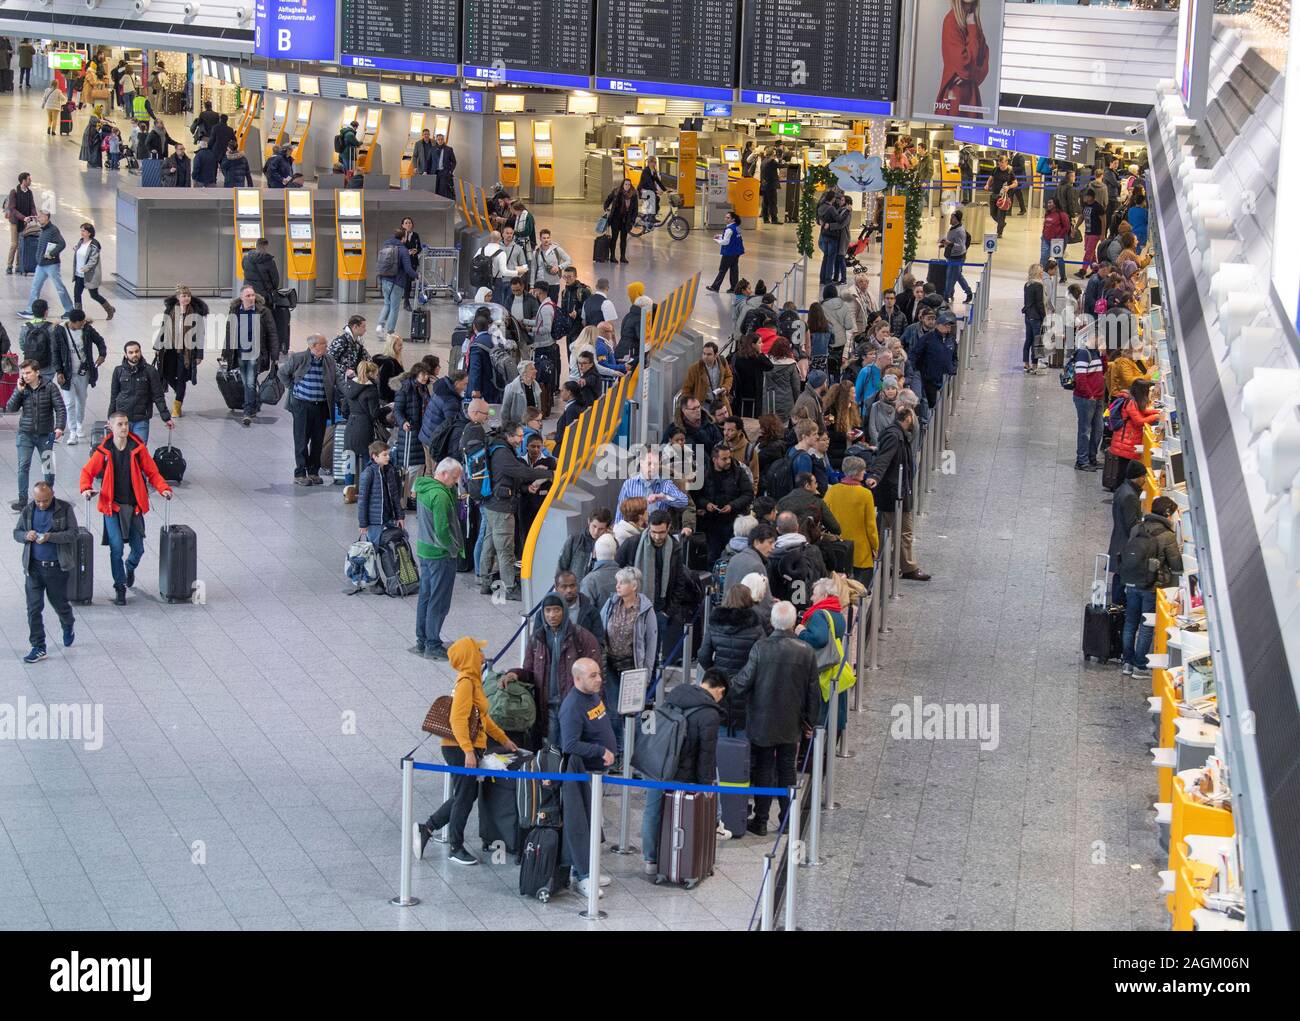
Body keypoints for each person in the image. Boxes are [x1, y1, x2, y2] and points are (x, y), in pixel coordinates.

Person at [413, 637, 517, 866]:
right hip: (459, 749)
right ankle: (455, 846)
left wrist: (504, 739)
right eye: (478, 651)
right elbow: (457, 719)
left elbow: (483, 718)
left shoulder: (474, 681)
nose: (482, 654)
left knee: (467, 794)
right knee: (465, 795)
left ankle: (428, 828)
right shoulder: (466, 683)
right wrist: (468, 751)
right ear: (470, 656)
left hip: (466, 748)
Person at [728, 601, 820, 836]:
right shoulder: (806, 651)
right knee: (787, 769)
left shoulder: (761, 648)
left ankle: (760, 820)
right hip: (791, 722)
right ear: (793, 622)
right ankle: (788, 820)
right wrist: (810, 721)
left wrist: (721, 687)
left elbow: (743, 682)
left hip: (761, 720)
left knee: (764, 770)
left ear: (772, 622)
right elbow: (813, 691)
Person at [78, 411, 173, 606]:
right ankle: (119, 587)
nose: (124, 427)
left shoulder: (137, 449)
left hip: (134, 508)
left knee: (138, 549)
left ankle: (129, 567)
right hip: (112, 508)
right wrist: (86, 489)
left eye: (126, 424)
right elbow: (87, 471)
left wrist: (164, 489)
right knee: (116, 548)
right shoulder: (104, 451)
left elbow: (152, 472)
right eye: (120, 424)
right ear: (110, 426)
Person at [640, 669, 726, 877]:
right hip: (680, 769)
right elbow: (706, 754)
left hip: (657, 759)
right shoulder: (710, 713)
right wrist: (706, 787)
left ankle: (650, 859)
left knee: (652, 810)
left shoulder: (679, 692)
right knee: (685, 814)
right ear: (720, 691)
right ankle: (685, 858)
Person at [558, 657, 617, 897]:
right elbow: (570, 744)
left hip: (597, 773)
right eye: (593, 676)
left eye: (599, 674)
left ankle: (587, 869)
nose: (599, 679)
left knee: (596, 823)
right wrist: (600, 751)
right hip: (583, 776)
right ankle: (582, 875)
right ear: (577, 679)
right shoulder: (572, 707)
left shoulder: (592, 695)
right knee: (581, 825)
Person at [515, 591, 603, 749]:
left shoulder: (582, 638)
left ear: (565, 610)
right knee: (552, 753)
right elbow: (528, 672)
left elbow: (595, 678)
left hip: (573, 709)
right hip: (547, 708)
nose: (552, 615)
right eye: (547, 611)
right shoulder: (537, 639)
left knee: (572, 751)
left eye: (556, 610)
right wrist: (514, 674)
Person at [480, 421, 553, 600]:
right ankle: (510, 588)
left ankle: (485, 581)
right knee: (505, 548)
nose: (522, 439)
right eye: (520, 436)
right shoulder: (503, 452)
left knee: (489, 543)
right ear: (510, 435)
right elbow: (522, 472)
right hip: (502, 507)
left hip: (493, 503)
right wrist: (549, 474)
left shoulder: (499, 447)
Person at [14, 481, 78, 664]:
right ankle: (38, 646)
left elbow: (73, 533)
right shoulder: (29, 509)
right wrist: (26, 535)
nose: (41, 504)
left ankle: (67, 623)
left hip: (56, 568)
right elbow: (17, 532)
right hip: (33, 568)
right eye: (38, 501)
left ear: (52, 495)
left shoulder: (64, 509)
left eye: (45, 500)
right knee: (33, 608)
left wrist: (51, 537)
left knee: (59, 603)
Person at [1120, 496, 1183, 680]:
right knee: (1146, 625)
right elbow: (1176, 565)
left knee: (1130, 622)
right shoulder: (1167, 536)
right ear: (1167, 514)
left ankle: (1127, 662)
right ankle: (1140, 665)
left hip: (1132, 581)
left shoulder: (1137, 528)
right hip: (1151, 585)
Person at [866, 404, 928, 581]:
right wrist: (876, 475)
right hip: (896, 492)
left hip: (892, 490)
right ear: (908, 417)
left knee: (888, 530)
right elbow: (884, 458)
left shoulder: (894, 433)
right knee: (904, 531)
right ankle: (908, 567)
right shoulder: (895, 436)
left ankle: (889, 565)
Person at [599, 566, 659, 731]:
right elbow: (600, 627)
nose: (617, 586)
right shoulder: (611, 604)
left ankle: (638, 748)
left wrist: (646, 673)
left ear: (634, 586)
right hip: (611, 665)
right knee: (612, 711)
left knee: (633, 713)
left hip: (633, 668)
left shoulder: (646, 610)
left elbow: (651, 644)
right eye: (617, 582)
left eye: (622, 583)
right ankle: (618, 750)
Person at [698, 584, 766, 729]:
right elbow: (762, 657)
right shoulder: (755, 626)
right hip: (746, 684)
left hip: (719, 683)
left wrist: (714, 671)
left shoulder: (714, 624)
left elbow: (703, 655)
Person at [278, 333, 340, 486]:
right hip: (302, 406)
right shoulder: (299, 358)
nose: (327, 346)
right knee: (301, 440)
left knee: (318, 441)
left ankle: (313, 471)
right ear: (314, 346)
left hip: (321, 406)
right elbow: (282, 373)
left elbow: (337, 378)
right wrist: (293, 387)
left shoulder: (329, 360)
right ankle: (300, 473)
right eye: (324, 344)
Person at [7, 360, 66, 511]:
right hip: (25, 434)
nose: (25, 376)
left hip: (45, 434)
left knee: (48, 467)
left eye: (28, 373)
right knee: (23, 466)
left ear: (37, 372)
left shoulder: (50, 387)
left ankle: (48, 495)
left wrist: (59, 427)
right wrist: (18, 391)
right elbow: (10, 408)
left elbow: (60, 408)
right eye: (23, 373)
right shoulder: (23, 388)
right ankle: (22, 500)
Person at [223, 285, 278, 428]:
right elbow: (229, 332)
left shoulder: (263, 312)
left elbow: (272, 333)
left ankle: (247, 412)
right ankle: (253, 404)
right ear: (241, 298)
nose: (251, 298)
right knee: (246, 381)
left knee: (249, 382)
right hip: (240, 352)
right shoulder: (235, 311)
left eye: (253, 295)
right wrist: (225, 352)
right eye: (248, 296)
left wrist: (274, 355)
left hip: (255, 353)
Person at [822, 456, 879, 587]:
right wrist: (875, 546)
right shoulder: (865, 494)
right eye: (863, 470)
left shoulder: (832, 491)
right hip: (861, 551)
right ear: (857, 472)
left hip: (839, 548)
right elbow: (870, 525)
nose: (864, 473)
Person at [695, 443, 755, 563]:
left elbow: (748, 494)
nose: (728, 461)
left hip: (733, 522)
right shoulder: (704, 473)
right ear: (714, 459)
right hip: (711, 523)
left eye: (729, 457)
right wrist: (706, 504)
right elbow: (696, 496)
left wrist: (732, 505)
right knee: (713, 556)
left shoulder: (738, 472)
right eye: (724, 458)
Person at [55, 308, 106, 446]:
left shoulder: (87, 330)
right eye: (80, 323)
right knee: (69, 403)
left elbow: (100, 341)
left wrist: (102, 355)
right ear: (73, 322)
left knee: (81, 400)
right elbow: (56, 352)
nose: (83, 324)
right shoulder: (60, 331)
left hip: (83, 372)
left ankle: (79, 424)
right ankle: (72, 430)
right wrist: (59, 371)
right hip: (67, 374)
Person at [108, 341, 171, 444]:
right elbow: (114, 396)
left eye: (137, 351)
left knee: (140, 450)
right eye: (131, 352)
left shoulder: (150, 371)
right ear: (125, 354)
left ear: (140, 352)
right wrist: (110, 417)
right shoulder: (118, 371)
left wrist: (166, 418)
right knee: (122, 450)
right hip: (122, 419)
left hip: (141, 418)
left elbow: (158, 395)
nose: (134, 354)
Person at [339, 361, 383, 504]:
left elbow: (344, 408)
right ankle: (365, 491)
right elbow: (375, 413)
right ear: (370, 374)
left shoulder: (350, 386)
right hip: (365, 427)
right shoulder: (371, 390)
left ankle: (348, 491)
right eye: (376, 373)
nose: (377, 376)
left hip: (351, 425)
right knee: (366, 460)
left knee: (350, 459)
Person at [19, 211, 74, 318]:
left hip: (51, 265)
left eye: (40, 217)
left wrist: (51, 253)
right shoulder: (43, 230)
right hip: (41, 265)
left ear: (46, 217)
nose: (38, 218)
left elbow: (62, 244)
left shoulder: (53, 230)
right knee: (35, 287)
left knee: (59, 287)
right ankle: (30, 310)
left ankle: (69, 310)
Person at [1108, 377, 1159, 479]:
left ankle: (1121, 489)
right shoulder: (1131, 403)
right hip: (1126, 441)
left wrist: (1158, 411)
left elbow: (1143, 411)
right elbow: (1139, 421)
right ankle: (1120, 490)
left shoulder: (1133, 400)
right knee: (1124, 470)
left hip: (1125, 439)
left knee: (1124, 468)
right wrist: (1156, 416)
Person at [357, 440, 405, 548]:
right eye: (384, 455)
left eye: (388, 454)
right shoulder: (368, 473)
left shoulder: (390, 470)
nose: (388, 457)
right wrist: (363, 523)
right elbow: (362, 501)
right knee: (373, 549)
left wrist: (399, 516)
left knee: (400, 539)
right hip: (375, 520)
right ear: (374, 456)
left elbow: (395, 496)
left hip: (388, 517)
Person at [1070, 328, 1106, 471]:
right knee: (1085, 430)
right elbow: (1080, 377)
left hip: (1097, 398)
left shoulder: (1096, 352)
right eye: (1101, 339)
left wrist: (1103, 355)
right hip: (1086, 399)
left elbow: (1104, 370)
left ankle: (1092, 458)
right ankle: (1082, 460)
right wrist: (1089, 394)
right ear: (1094, 338)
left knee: (1098, 429)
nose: (1102, 342)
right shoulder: (1083, 353)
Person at [376, 228, 417, 338]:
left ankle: (380, 326)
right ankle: (390, 331)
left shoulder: (386, 245)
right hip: (397, 282)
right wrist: (417, 275)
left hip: (384, 279)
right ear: (403, 238)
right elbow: (408, 269)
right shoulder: (403, 250)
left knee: (387, 304)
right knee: (394, 307)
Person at [557, 509, 611, 583]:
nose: (596, 532)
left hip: (596, 590)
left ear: (607, 528)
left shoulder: (610, 544)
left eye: (601, 529)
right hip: (575, 589)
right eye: (594, 526)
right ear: (589, 522)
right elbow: (561, 567)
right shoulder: (574, 540)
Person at [6, 172, 37, 276]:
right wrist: (24, 217)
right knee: (14, 244)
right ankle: (9, 266)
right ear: (23, 181)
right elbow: (12, 209)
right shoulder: (14, 192)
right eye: (29, 179)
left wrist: (34, 215)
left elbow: (32, 206)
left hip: (25, 222)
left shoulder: (29, 192)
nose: (30, 181)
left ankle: (19, 265)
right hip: (15, 222)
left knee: (21, 244)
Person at [939, 210, 973, 304]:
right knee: (957, 276)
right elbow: (952, 241)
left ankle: (946, 297)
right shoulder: (954, 227)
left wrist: (949, 243)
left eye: (952, 217)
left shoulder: (959, 231)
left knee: (950, 277)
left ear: (957, 219)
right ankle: (969, 293)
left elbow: (961, 246)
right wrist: (945, 245)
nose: (950, 219)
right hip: (952, 255)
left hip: (956, 257)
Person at [490, 224, 529, 307]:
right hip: (498, 280)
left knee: (510, 304)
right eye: (507, 233)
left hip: (512, 281)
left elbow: (524, 265)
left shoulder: (518, 248)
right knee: (497, 303)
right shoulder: (497, 247)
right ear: (502, 234)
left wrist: (519, 277)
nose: (509, 235)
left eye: (511, 233)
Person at [602, 178, 639, 264]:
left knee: (623, 239)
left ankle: (623, 257)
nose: (627, 186)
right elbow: (607, 201)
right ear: (623, 185)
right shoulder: (616, 192)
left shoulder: (633, 195)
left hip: (626, 220)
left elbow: (635, 210)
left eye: (629, 185)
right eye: (626, 184)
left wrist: (632, 221)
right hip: (615, 219)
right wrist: (606, 208)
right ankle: (612, 256)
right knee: (614, 238)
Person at [706, 211, 744, 294]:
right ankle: (734, 288)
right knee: (734, 270)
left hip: (729, 253)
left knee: (722, 270)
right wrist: (720, 235)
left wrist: (716, 240)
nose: (725, 219)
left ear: (732, 219)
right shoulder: (737, 227)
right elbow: (733, 237)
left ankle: (715, 286)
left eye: (728, 218)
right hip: (736, 252)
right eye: (725, 217)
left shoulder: (729, 229)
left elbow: (725, 242)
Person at [529, 228, 570, 301]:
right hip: (540, 284)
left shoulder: (557, 249)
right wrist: (532, 286)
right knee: (540, 307)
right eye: (544, 238)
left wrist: (559, 267)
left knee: (552, 306)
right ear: (540, 239)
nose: (546, 240)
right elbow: (533, 269)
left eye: (548, 238)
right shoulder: (536, 253)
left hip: (554, 284)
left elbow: (569, 260)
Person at [985, 154, 1018, 240]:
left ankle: (999, 232)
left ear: (1006, 162)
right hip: (994, 194)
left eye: (1003, 162)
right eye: (1000, 162)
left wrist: (1008, 187)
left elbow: (1015, 183)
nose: (1001, 164)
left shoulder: (1010, 172)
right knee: (992, 213)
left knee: (1001, 215)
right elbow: (991, 178)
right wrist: (987, 185)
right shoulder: (995, 170)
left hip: (1003, 197)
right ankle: (1002, 223)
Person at [1022, 263, 1047, 374]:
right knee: (1037, 341)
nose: (1042, 274)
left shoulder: (1027, 284)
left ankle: (1026, 363)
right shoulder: (1039, 285)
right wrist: (1044, 317)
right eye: (1041, 272)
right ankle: (1035, 365)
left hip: (1028, 316)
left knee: (1028, 340)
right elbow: (1040, 303)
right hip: (1036, 317)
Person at [240, 237, 280, 305]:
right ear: (265, 247)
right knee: (263, 313)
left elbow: (244, 269)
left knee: (248, 313)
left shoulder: (246, 258)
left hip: (247, 293)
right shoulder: (269, 261)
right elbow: (275, 280)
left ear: (256, 246)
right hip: (263, 295)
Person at [1040, 197, 1071, 284]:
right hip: (1046, 239)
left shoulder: (1062, 214)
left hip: (1057, 241)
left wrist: (1059, 237)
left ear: (1055, 204)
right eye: (1048, 203)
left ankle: (1063, 277)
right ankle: (1043, 275)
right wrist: (1043, 235)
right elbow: (1045, 225)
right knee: (1043, 258)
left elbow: (1066, 227)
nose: (1048, 204)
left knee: (1058, 259)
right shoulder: (1047, 214)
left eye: (1050, 202)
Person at [1078, 188, 1106, 274]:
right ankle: (1095, 269)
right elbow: (1082, 217)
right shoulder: (1085, 206)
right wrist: (1076, 227)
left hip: (1095, 233)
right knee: (1090, 251)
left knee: (1088, 251)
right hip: (1087, 232)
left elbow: (1103, 221)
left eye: (1085, 196)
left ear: (1091, 197)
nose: (1084, 198)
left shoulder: (1098, 207)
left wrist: (1102, 234)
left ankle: (1083, 270)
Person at [428, 132, 456, 199]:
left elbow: (454, 162)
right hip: (434, 172)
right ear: (436, 140)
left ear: (444, 140)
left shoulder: (449, 149)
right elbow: (428, 161)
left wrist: (450, 171)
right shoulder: (432, 149)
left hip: (444, 172)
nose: (440, 141)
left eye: (441, 139)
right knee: (435, 188)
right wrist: (427, 172)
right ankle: (435, 203)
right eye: (439, 139)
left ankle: (442, 203)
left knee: (442, 190)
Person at [760, 149, 781, 225]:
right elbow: (781, 166)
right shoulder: (772, 161)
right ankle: (774, 219)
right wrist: (790, 164)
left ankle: (765, 219)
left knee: (765, 203)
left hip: (764, 185)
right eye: (774, 154)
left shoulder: (763, 161)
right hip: (771, 185)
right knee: (773, 203)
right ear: (772, 154)